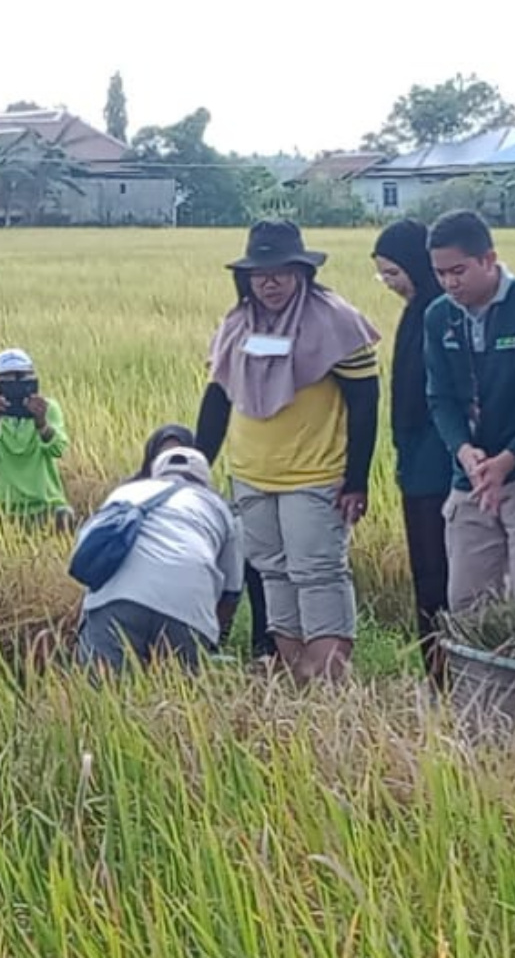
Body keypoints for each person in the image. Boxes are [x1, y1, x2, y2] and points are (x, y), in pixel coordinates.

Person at [196, 220, 380, 683]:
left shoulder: (335, 321)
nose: (269, 283)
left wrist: (357, 478)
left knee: (317, 573)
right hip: (251, 474)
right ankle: (300, 674)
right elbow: (217, 396)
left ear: (301, 271)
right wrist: (200, 464)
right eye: (260, 274)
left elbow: (365, 402)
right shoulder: (237, 324)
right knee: (273, 573)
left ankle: (330, 678)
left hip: (314, 476)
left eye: (280, 271)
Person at [422, 210, 515, 631]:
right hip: (470, 477)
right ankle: (480, 696)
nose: (450, 283)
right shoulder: (439, 316)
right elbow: (440, 398)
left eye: (459, 271)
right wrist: (465, 452)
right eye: (440, 274)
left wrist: (506, 461)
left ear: (488, 260)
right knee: (467, 602)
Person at [76, 446, 244, 674]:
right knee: (176, 699)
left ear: (156, 474)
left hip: (117, 598)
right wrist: (210, 643)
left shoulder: (125, 493)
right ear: (204, 481)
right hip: (187, 607)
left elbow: (86, 550)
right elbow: (231, 593)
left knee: (100, 694)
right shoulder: (217, 507)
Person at [372, 219, 454, 686]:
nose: (389, 285)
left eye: (393, 273)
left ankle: (453, 673)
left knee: (445, 576)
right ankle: (437, 673)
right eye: (383, 276)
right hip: (417, 468)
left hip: (444, 468)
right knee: (427, 574)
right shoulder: (419, 310)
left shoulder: (441, 313)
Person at [0, 348, 74, 528]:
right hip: (3, 510)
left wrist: (41, 422)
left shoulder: (48, 409)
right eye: (8, 381)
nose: (16, 387)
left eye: (22, 379)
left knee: (65, 518)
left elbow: (58, 449)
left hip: (47, 506)